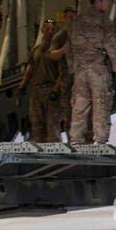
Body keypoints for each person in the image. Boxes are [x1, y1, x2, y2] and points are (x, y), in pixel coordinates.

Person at [68, 0, 116, 144]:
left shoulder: (77, 21)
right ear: (98, 1)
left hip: (80, 71)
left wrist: (72, 68)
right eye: (107, 0)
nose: (109, 3)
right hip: (97, 69)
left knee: (80, 105)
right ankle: (100, 140)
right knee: (101, 104)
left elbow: (69, 48)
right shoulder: (104, 21)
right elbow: (112, 46)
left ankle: (76, 139)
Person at [20, 18, 63, 142]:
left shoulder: (56, 51)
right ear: (42, 30)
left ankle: (55, 156)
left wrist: (56, 89)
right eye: (47, 28)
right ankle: (39, 155)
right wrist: (23, 85)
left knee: (52, 125)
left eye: (52, 29)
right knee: (37, 125)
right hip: (36, 91)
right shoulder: (36, 50)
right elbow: (31, 69)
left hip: (51, 90)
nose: (49, 31)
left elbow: (62, 72)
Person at [48, 8, 76, 138]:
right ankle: (73, 140)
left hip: (82, 77)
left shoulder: (83, 33)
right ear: (65, 18)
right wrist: (64, 50)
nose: (72, 20)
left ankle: (86, 140)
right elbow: (53, 56)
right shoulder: (60, 37)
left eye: (74, 17)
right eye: (69, 17)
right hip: (67, 79)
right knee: (69, 111)